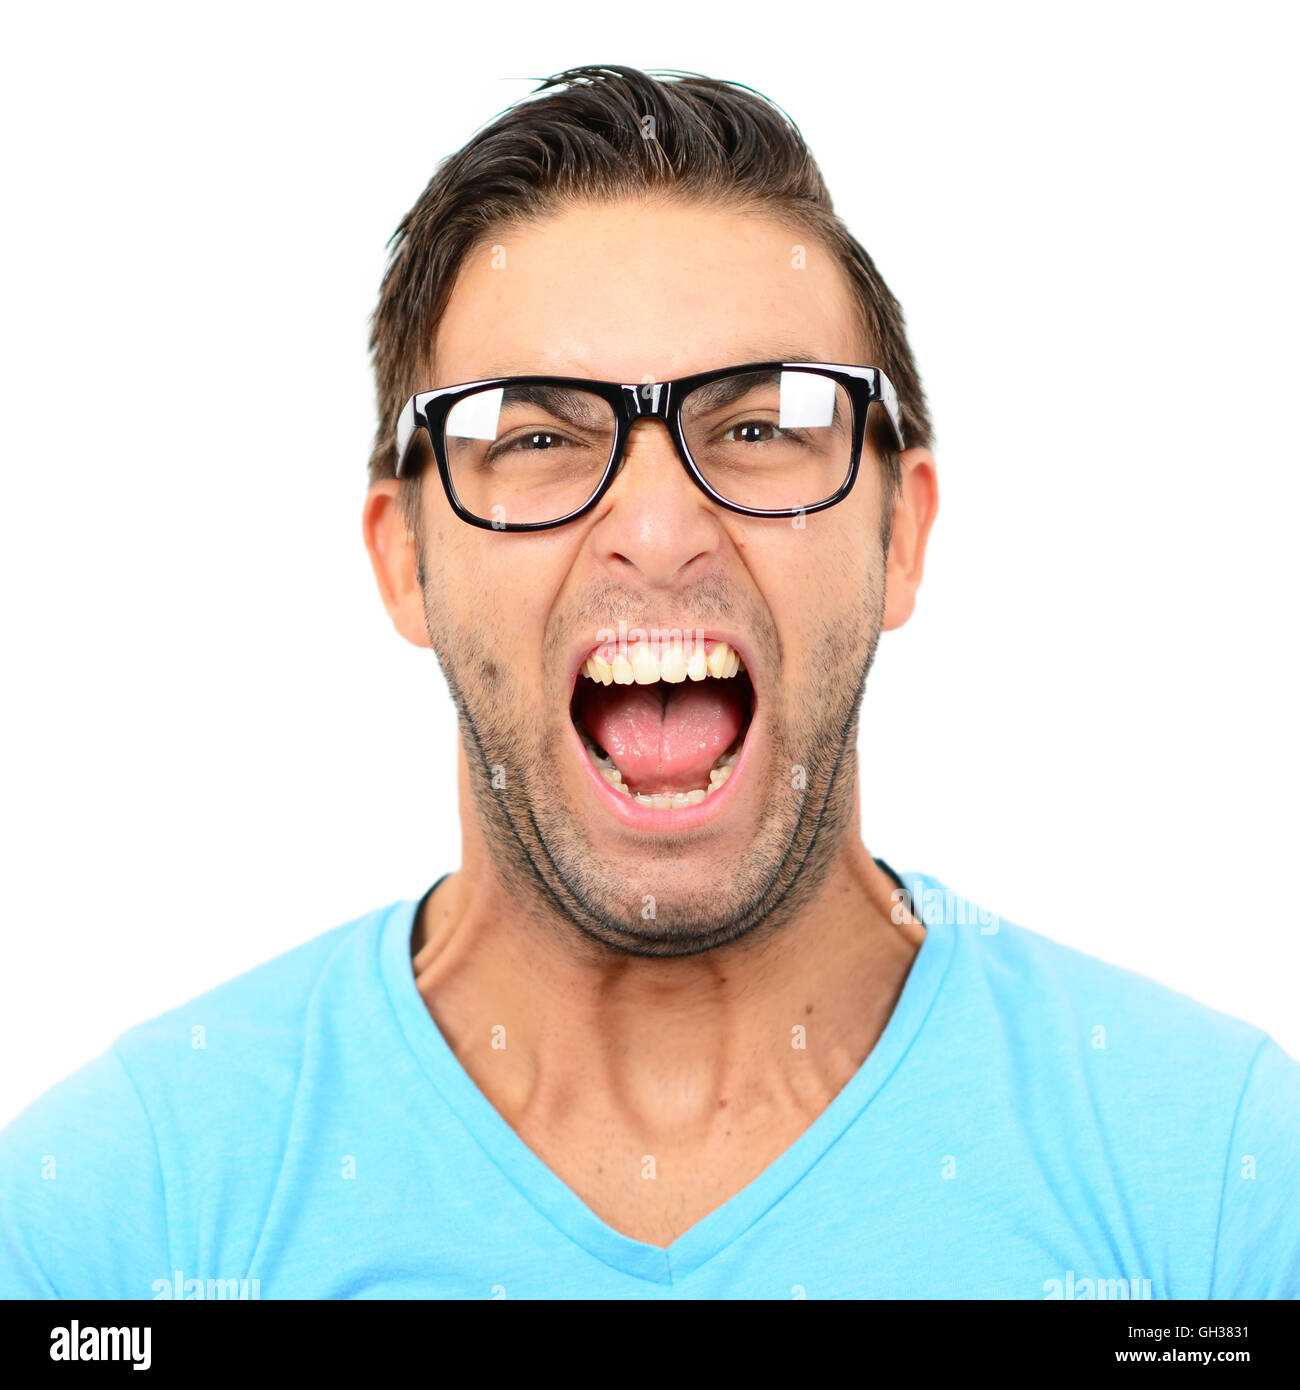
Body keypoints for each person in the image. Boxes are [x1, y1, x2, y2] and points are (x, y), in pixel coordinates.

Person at [2, 65, 1296, 1300]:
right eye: (539, 436)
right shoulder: (128, 1216)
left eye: (756, 424)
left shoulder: (1223, 1190)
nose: (660, 527)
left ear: (903, 532)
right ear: (405, 559)